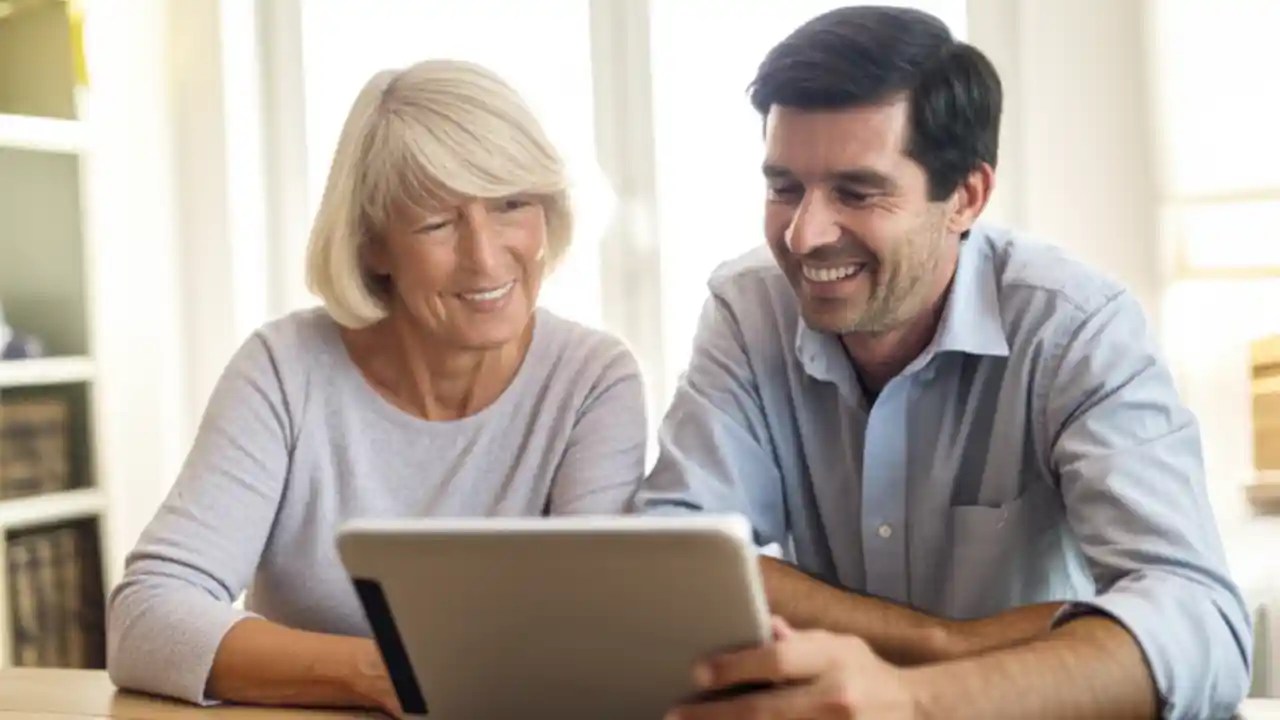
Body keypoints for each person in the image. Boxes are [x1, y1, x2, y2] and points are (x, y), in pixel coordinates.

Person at [637, 6, 1251, 719]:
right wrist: (945, 642)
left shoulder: (1076, 327)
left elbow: (1200, 623)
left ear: (966, 197)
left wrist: (913, 698)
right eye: (785, 188)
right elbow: (673, 564)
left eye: (856, 192)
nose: (804, 235)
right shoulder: (748, 309)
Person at [108, 59, 647, 716]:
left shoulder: (593, 380)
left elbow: (596, 639)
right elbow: (146, 619)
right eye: (437, 223)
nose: (484, 256)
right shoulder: (284, 370)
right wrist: (384, 673)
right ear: (372, 246)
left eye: (511, 205)